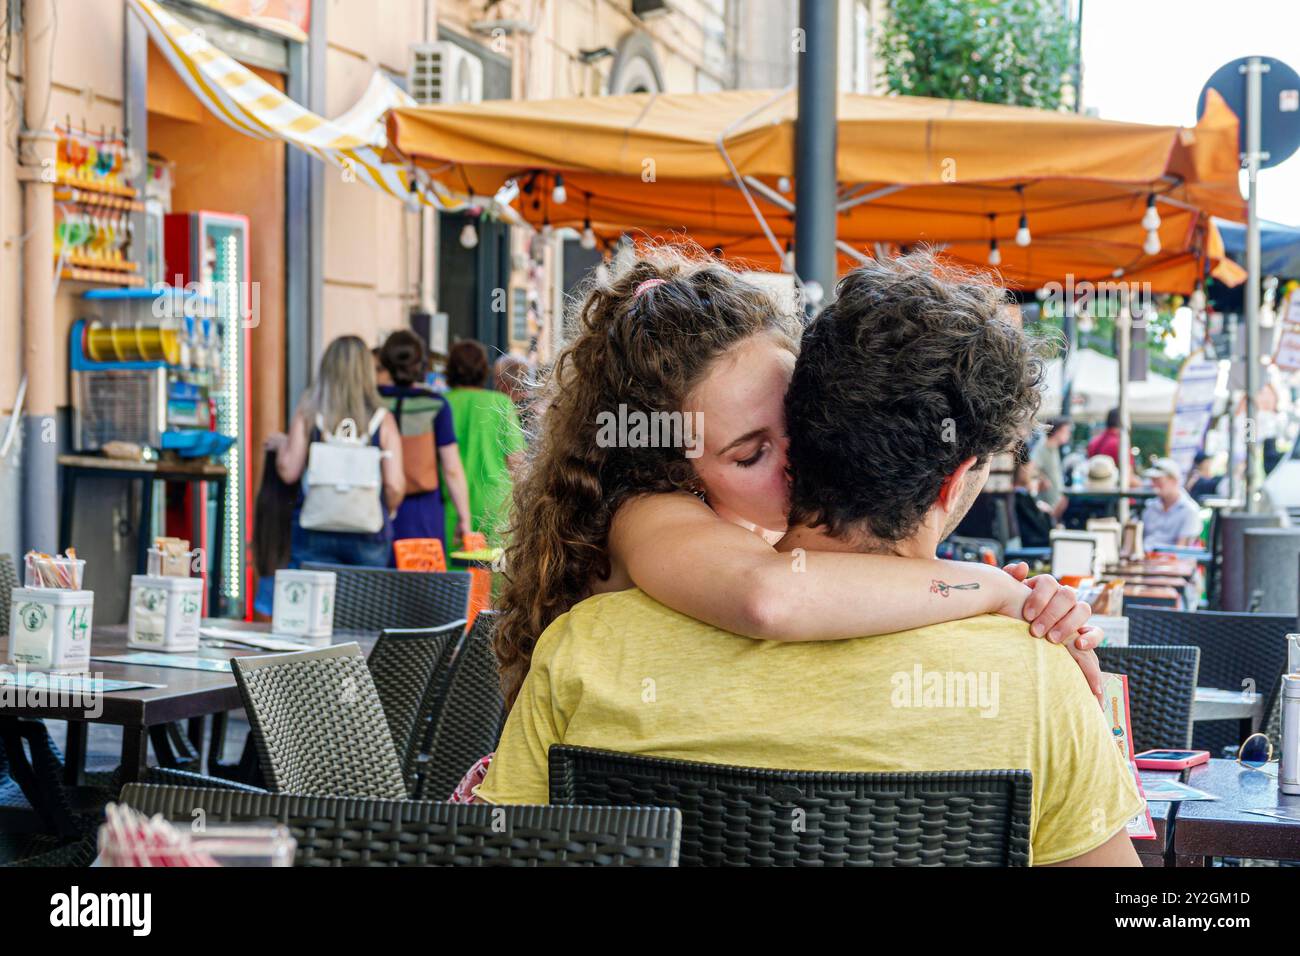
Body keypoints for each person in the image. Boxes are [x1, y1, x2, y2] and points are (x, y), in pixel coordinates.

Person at [478, 253, 1142, 866]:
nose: (793, 459)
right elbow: (772, 597)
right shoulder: (650, 523)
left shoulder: (586, 649)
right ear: (667, 468)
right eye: (749, 452)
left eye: (795, 423)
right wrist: (997, 594)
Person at [268, 335, 404, 568]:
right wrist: (386, 509)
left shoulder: (309, 412)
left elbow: (288, 470)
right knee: (363, 603)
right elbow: (394, 485)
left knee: (313, 602)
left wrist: (282, 445)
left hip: (315, 528)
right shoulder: (384, 420)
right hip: (368, 531)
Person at [378, 330, 473, 549]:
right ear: (420, 364)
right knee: (421, 579)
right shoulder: (435, 405)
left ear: (385, 362)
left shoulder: (371, 401)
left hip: (376, 502)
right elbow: (451, 468)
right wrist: (464, 518)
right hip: (422, 510)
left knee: (376, 581)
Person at [442, 340, 527, 549]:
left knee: (454, 578)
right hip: (496, 507)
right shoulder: (501, 404)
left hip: (450, 505)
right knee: (492, 576)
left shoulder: (441, 404)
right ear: (483, 371)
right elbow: (516, 460)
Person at [1140, 457, 1204, 548]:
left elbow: (1181, 551)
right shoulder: (1150, 506)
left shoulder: (1190, 510)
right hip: (1145, 559)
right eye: (1153, 480)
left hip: (1171, 561)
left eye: (1158, 480)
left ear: (1174, 480)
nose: (1153, 485)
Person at [1032, 417, 1071, 521]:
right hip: (1047, 505)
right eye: (1066, 431)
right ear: (1057, 432)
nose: (1068, 435)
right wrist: (1043, 479)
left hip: (1055, 502)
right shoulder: (1043, 447)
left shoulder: (1054, 448)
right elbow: (1031, 468)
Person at [1013, 460, 1054, 548]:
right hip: (1035, 545)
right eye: (1033, 477)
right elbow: (1043, 532)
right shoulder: (1020, 497)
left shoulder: (1023, 496)